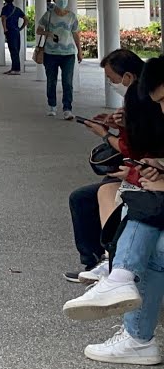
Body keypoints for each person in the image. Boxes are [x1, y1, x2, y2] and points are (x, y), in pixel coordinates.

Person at [63, 56, 164, 365]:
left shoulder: (140, 101)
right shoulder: (140, 103)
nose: (162, 110)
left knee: (146, 219)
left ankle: (118, 275)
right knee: (139, 211)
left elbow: (134, 147)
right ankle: (117, 274)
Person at [67, 49, 159, 282]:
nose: (110, 83)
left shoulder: (141, 99)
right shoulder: (139, 98)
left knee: (107, 194)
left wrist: (106, 135)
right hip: (143, 173)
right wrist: (121, 126)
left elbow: (135, 147)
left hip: (144, 179)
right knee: (91, 196)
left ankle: (112, 263)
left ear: (128, 76)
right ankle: (107, 264)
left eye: (111, 78)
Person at [37, 0, 81, 119]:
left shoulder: (71, 16)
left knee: (68, 82)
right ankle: (52, 106)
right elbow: (39, 30)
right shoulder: (49, 15)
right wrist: (48, 33)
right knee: (51, 81)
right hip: (50, 53)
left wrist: (79, 51)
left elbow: (76, 34)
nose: (62, 0)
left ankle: (67, 109)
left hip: (68, 54)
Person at [0, 0, 27, 75]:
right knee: (16, 50)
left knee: (13, 50)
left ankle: (16, 69)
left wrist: (5, 29)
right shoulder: (17, 9)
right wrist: (20, 28)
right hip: (16, 31)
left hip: (10, 31)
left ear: (5, 0)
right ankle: (13, 68)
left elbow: (3, 19)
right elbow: (26, 19)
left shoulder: (5, 9)